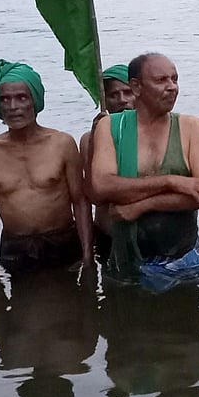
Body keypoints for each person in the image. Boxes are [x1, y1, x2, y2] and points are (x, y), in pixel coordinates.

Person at [90, 53, 199, 290]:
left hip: (182, 259)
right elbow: (101, 188)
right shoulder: (112, 127)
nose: (172, 87)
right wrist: (172, 182)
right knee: (125, 312)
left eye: (174, 79)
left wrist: (141, 206)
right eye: (161, 80)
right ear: (136, 86)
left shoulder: (190, 127)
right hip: (126, 261)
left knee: (187, 311)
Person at [0, 59, 93, 273]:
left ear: (35, 100)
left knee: (72, 292)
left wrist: (88, 256)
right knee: (20, 294)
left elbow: (80, 201)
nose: (13, 107)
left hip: (62, 241)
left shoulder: (62, 143)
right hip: (16, 246)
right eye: (5, 99)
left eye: (21, 98)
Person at [80, 65, 136, 262]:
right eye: (113, 95)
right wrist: (97, 139)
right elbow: (95, 196)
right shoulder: (89, 139)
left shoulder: (154, 134)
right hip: (108, 235)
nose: (122, 100)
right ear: (105, 100)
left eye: (128, 92)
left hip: (147, 236)